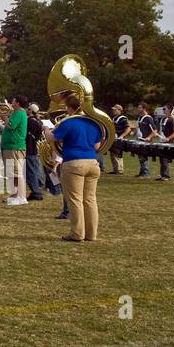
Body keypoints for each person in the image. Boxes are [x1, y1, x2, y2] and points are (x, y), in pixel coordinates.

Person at [53, 94, 101, 242]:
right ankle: (91, 234)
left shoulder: (68, 122)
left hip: (73, 163)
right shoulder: (94, 123)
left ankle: (77, 234)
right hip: (92, 163)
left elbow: (51, 138)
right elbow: (97, 146)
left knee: (75, 199)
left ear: (69, 108)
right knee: (90, 200)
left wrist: (47, 130)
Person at [2, 96, 28, 204]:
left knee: (17, 172)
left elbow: (11, 126)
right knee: (12, 172)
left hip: (15, 147)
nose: (11, 102)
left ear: (17, 102)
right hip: (10, 146)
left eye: (12, 101)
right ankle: (15, 194)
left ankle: (21, 197)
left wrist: (5, 118)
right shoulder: (17, 113)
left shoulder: (19, 113)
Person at [24, 103, 46, 201]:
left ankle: (36, 192)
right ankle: (37, 189)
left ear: (30, 111)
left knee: (30, 172)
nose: (26, 110)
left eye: (28, 109)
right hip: (35, 148)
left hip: (29, 148)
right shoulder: (38, 122)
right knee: (35, 170)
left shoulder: (30, 121)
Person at [157, 105, 174, 181]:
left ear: (169, 110)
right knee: (161, 158)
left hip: (168, 142)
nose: (163, 110)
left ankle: (166, 176)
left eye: (164, 109)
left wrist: (168, 138)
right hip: (161, 141)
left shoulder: (172, 119)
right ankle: (162, 174)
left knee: (165, 158)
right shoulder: (163, 119)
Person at [135, 102, 156, 177]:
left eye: (140, 108)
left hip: (145, 140)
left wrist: (149, 137)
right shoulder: (140, 117)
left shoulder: (148, 118)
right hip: (140, 139)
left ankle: (146, 173)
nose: (138, 109)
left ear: (144, 108)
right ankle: (142, 172)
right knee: (140, 156)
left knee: (144, 156)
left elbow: (155, 130)